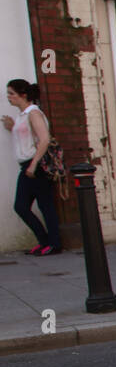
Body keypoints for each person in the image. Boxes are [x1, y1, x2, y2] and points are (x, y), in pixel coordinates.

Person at [2, 78, 60, 255]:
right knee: (21, 206)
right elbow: (28, 138)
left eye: (11, 93)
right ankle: (45, 242)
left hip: (36, 166)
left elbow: (44, 139)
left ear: (23, 95)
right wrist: (12, 128)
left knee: (45, 206)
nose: (8, 97)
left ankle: (54, 244)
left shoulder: (34, 113)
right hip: (27, 166)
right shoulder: (23, 115)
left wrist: (34, 165)